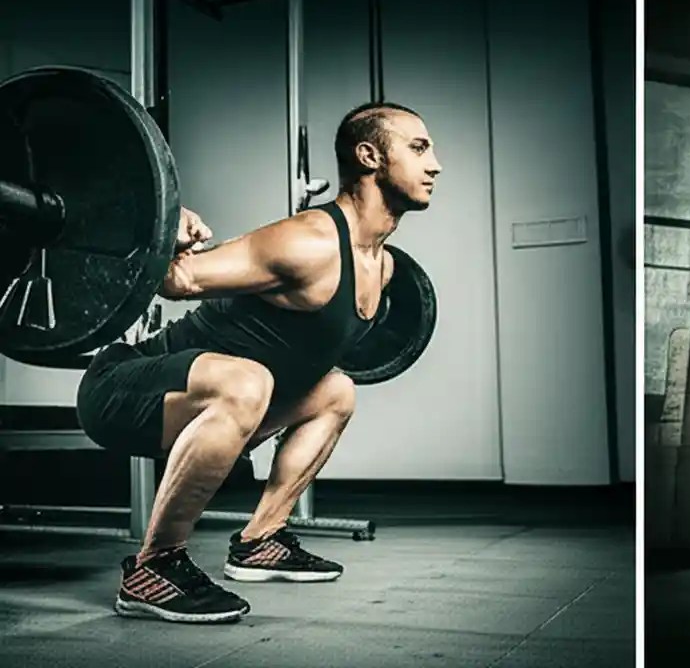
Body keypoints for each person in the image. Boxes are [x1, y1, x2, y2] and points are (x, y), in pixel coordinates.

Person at [76, 101, 441, 623]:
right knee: (248, 380)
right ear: (369, 156)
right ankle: (152, 569)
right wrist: (166, 229)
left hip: (221, 404)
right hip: (122, 389)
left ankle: (260, 540)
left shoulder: (380, 269)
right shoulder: (309, 242)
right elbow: (179, 281)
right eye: (419, 148)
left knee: (337, 391)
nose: (435, 165)